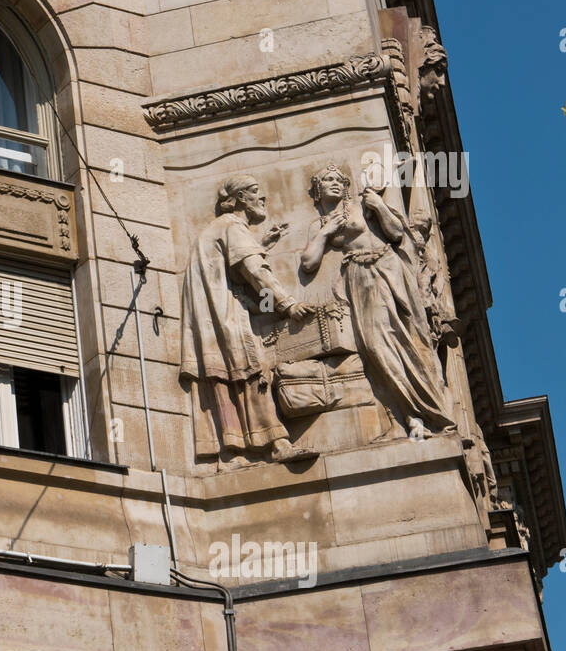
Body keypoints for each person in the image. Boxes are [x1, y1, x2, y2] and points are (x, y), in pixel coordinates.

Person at [299, 163, 455, 437]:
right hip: (359, 279)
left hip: (387, 268)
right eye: (328, 180)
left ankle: (425, 414)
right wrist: (325, 233)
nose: (335, 183)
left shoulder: (362, 205)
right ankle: (409, 414)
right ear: (317, 189)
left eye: (339, 180)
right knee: (374, 346)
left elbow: (396, 233)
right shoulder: (320, 224)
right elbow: (309, 262)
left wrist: (379, 205)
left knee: (406, 338)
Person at [180, 175, 318, 463]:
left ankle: (232, 450)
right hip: (227, 316)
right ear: (241, 198)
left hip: (213, 318)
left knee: (227, 376)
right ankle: (277, 444)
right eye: (256, 191)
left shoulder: (220, 228)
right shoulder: (231, 225)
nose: (263, 198)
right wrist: (288, 305)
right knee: (253, 370)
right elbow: (255, 272)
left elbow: (234, 269)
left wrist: (261, 244)